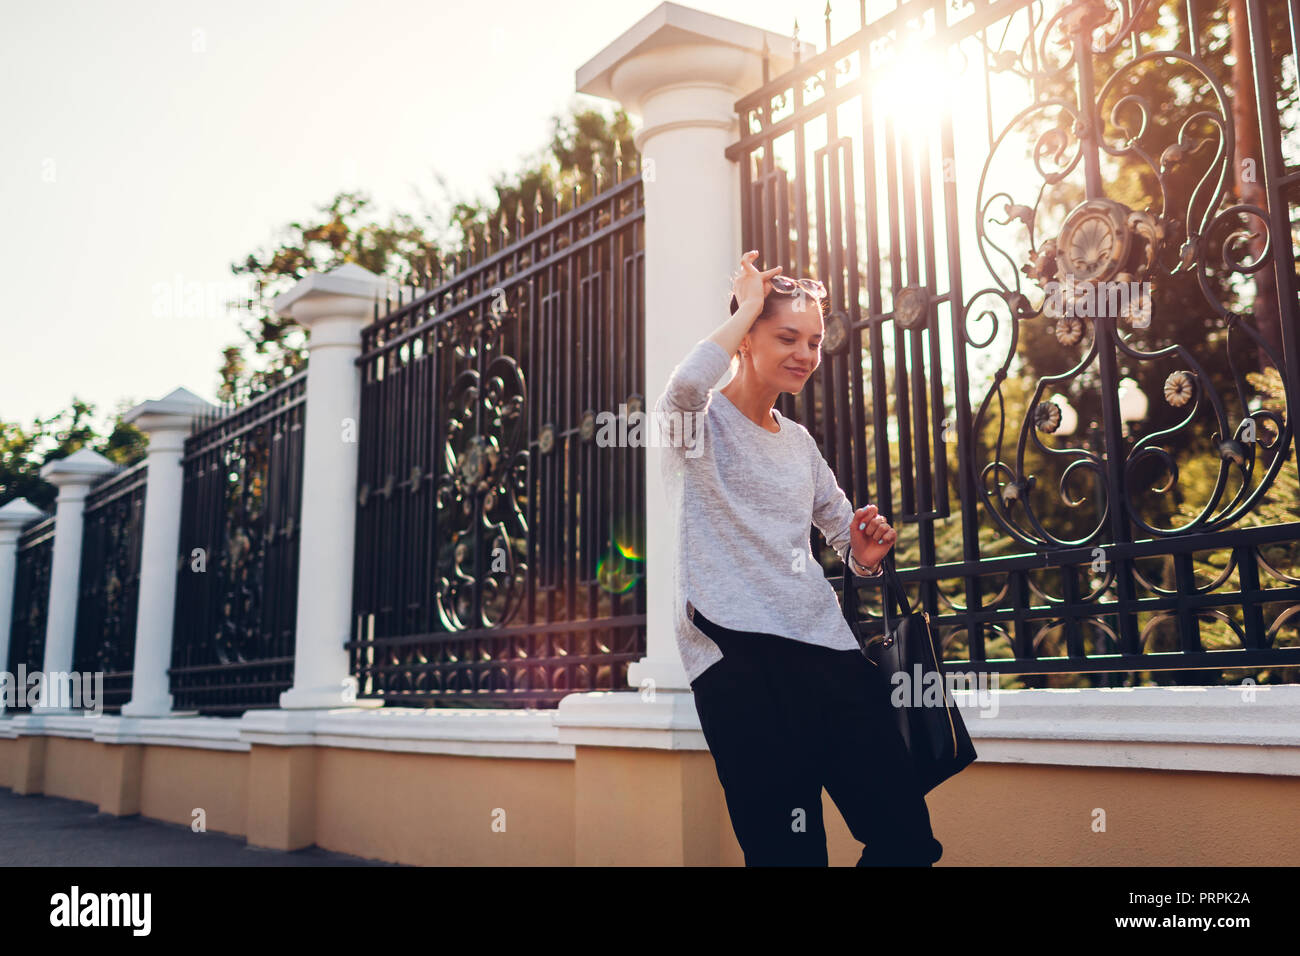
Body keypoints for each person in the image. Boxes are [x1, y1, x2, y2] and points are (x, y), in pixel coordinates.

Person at [652, 250, 943, 867]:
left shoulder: (801, 443)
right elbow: (683, 383)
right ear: (746, 337)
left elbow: (845, 536)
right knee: (790, 855)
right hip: (738, 662)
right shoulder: (693, 425)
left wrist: (864, 554)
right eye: (786, 336)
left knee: (907, 838)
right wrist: (749, 302)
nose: (805, 355)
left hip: (827, 653)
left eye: (813, 340)